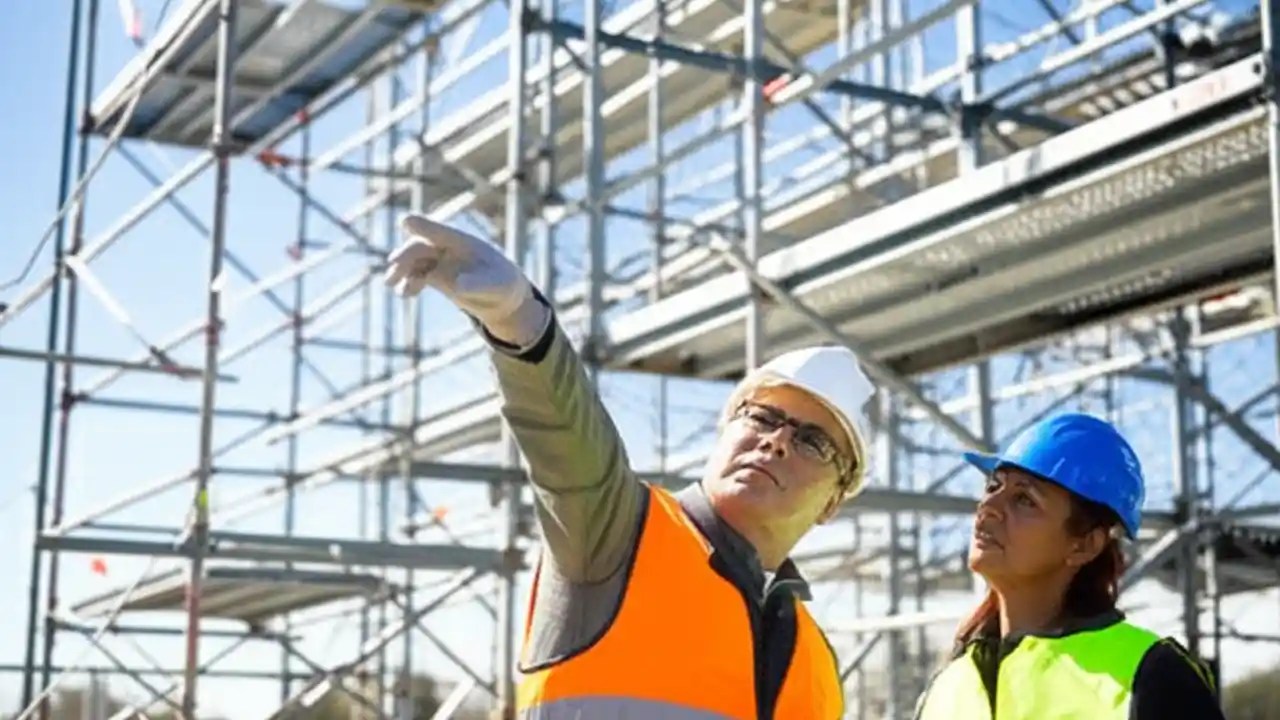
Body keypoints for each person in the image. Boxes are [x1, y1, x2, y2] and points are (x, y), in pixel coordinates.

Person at [385, 214, 876, 719]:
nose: (775, 442)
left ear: (834, 501)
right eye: (763, 417)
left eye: (813, 442)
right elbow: (568, 443)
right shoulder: (618, 533)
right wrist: (520, 324)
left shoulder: (812, 657)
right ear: (725, 429)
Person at [913, 413, 1225, 720]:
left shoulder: (1153, 679)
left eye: (1024, 499)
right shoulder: (946, 689)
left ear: (1085, 544)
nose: (988, 508)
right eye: (994, 486)